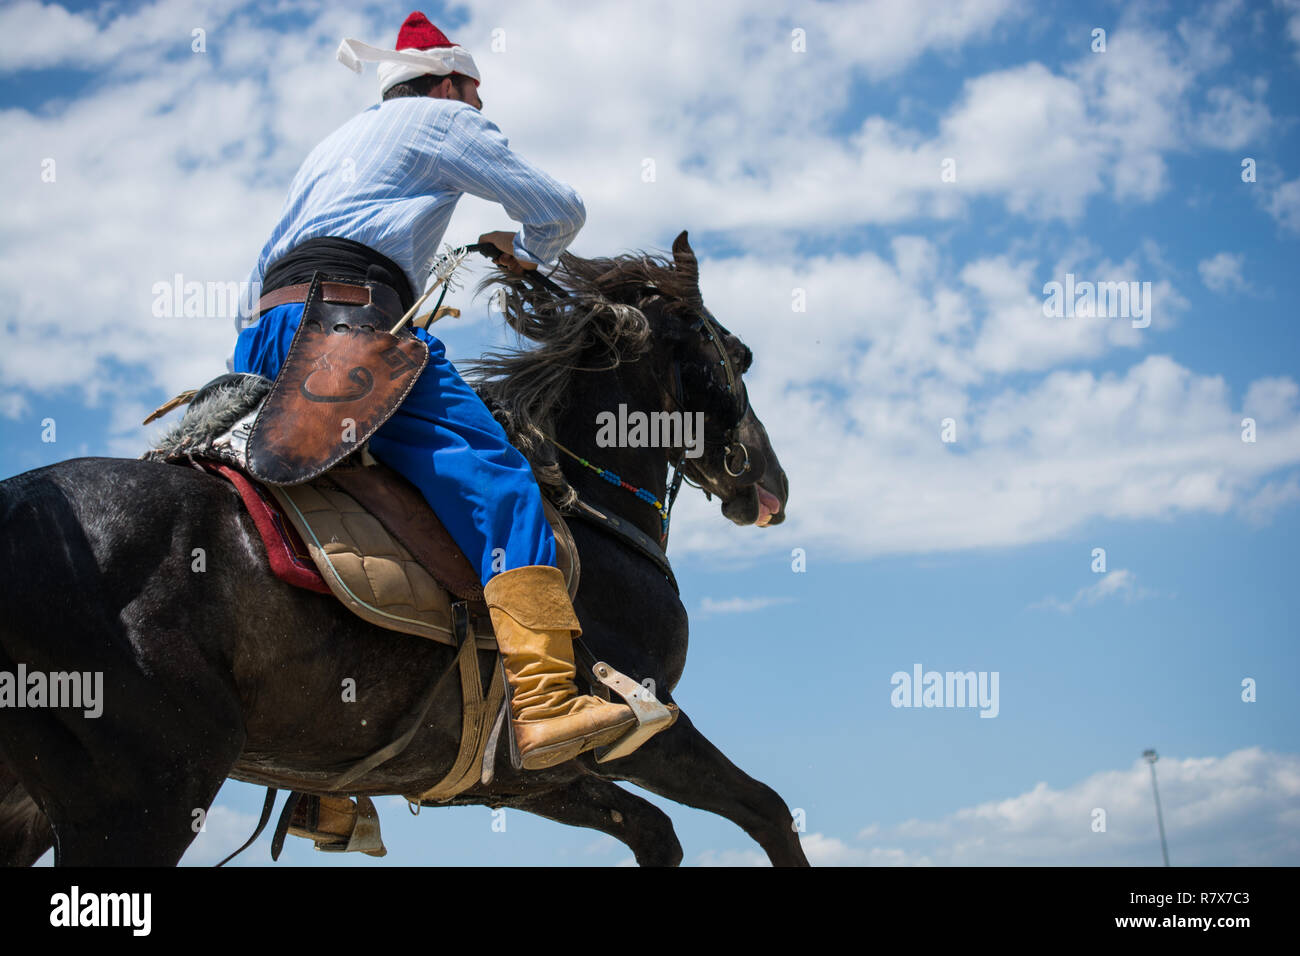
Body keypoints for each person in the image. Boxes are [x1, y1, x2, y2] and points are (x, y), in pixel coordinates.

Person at [232, 11, 666, 773]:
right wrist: (526, 251)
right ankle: (544, 703)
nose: (480, 112)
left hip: (264, 336)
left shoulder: (335, 146)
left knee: (346, 500)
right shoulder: (438, 118)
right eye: (476, 95)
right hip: (346, 330)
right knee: (491, 475)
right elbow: (559, 206)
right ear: (448, 82)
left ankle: (321, 782)